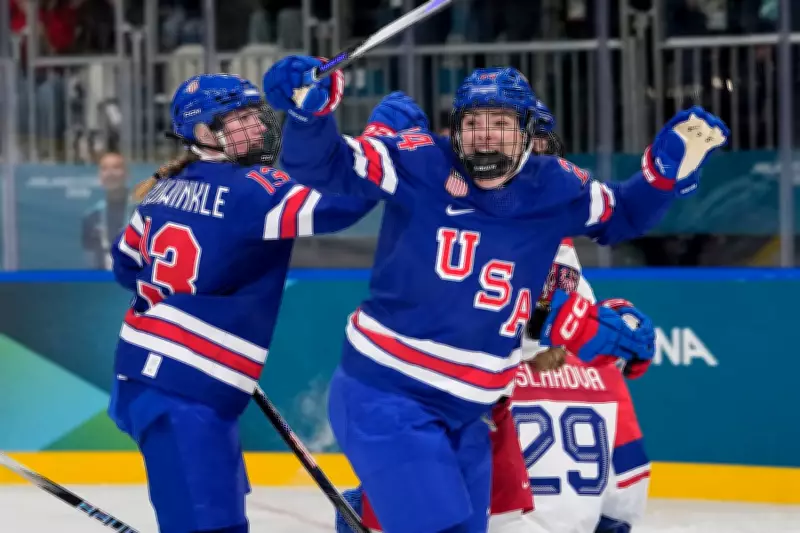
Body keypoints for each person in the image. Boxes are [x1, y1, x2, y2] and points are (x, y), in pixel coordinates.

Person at [263, 58, 728, 533]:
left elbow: (624, 213)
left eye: (502, 124)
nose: (486, 135)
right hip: (391, 395)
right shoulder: (419, 159)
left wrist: (664, 175)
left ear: (527, 132)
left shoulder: (556, 186)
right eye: (474, 123)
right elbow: (326, 166)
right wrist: (309, 115)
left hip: (472, 413)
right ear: (456, 128)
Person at [335, 101, 651, 533]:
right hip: (486, 434)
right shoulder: (538, 237)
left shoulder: (526, 236)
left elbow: (539, 336)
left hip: (486, 426)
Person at [107, 73, 375, 533]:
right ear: (203, 133)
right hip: (184, 392)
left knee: (222, 521)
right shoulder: (252, 188)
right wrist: (378, 147)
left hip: (163, 377)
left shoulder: (160, 190)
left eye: (255, 116)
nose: (255, 128)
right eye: (238, 120)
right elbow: (346, 204)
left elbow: (125, 266)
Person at [82, 151, 133, 269]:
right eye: (104, 169)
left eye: (116, 167)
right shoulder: (91, 216)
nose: (110, 173)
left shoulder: (143, 212)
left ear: (127, 174)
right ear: (99, 176)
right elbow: (90, 260)